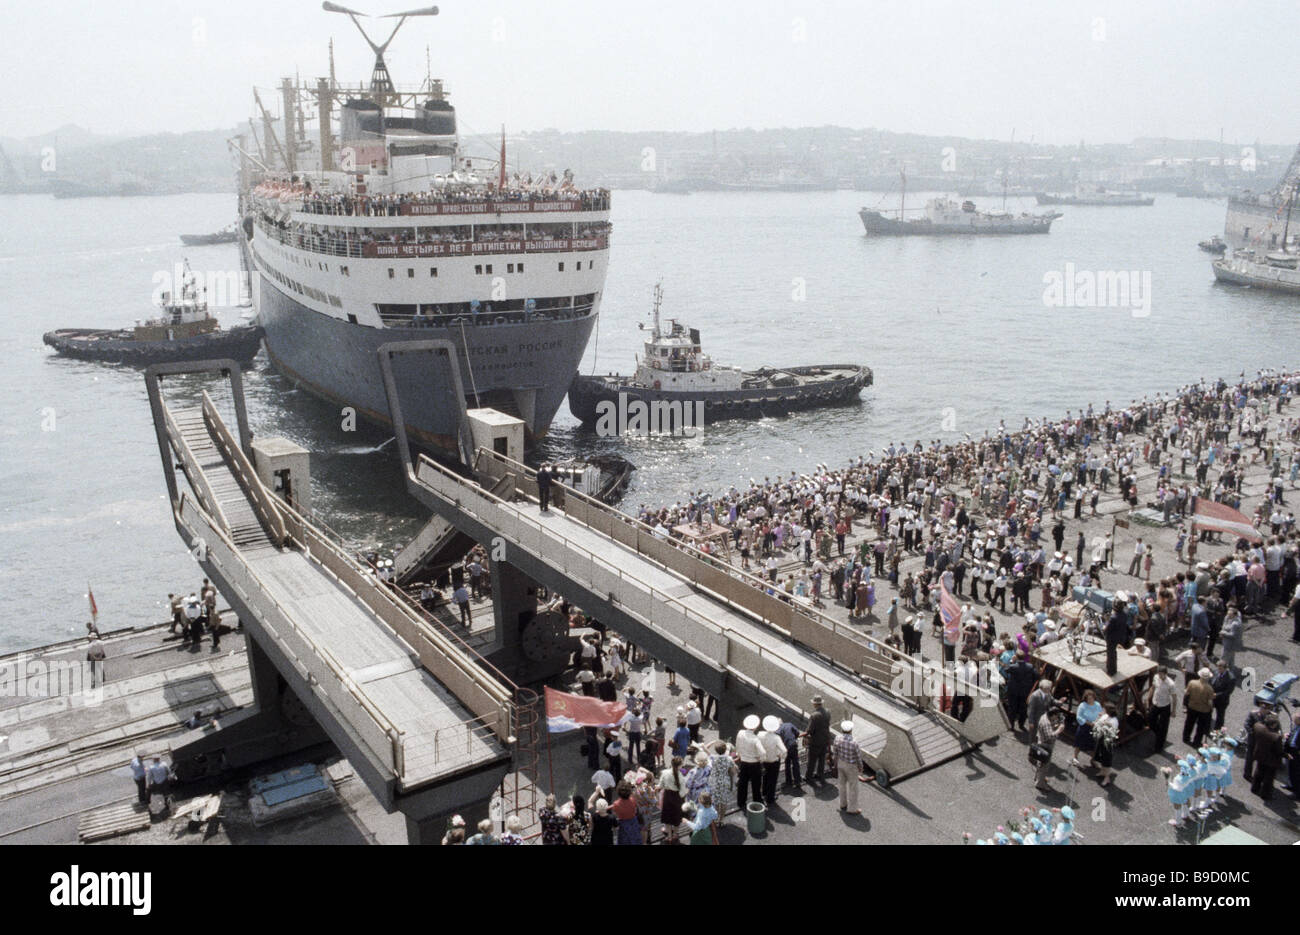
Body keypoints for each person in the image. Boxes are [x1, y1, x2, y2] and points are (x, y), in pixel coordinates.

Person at [1251, 714, 1285, 801]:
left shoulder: (1258, 727)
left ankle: (1254, 788)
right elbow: (1279, 751)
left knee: (1258, 772)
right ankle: (1265, 794)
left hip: (1259, 754)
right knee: (1269, 778)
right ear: (1273, 725)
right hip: (1271, 759)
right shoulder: (1276, 737)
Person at [735, 714, 765, 812]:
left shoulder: (740, 732)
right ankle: (757, 801)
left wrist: (739, 754)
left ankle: (741, 802)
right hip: (754, 764)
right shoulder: (755, 739)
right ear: (755, 727)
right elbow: (763, 753)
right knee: (756, 784)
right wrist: (760, 759)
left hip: (743, 762)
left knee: (742, 783)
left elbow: (737, 746)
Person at [1032, 706, 1066, 790]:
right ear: (1053, 715)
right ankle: (1040, 784)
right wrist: (1059, 730)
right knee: (1044, 765)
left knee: (1040, 762)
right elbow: (1050, 737)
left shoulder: (1044, 716)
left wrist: (1056, 724)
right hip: (1046, 745)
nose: (1057, 718)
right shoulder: (1046, 724)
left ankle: (1038, 777)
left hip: (1040, 741)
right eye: (1056, 716)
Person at [833, 720, 862, 814]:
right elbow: (858, 757)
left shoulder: (837, 738)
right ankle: (852, 809)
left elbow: (835, 752)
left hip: (841, 763)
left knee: (841, 785)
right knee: (853, 787)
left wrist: (835, 763)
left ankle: (842, 804)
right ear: (851, 730)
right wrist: (860, 767)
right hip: (851, 766)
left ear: (842, 729)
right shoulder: (854, 742)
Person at [1146, 665, 1178, 751]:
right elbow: (1153, 687)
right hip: (1155, 703)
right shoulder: (1156, 677)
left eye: (1161, 674)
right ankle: (1159, 733)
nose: (1160, 676)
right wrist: (1148, 697)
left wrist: (1174, 710)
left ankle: (1158, 747)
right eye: (1159, 674)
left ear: (1165, 674)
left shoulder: (1171, 684)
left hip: (1165, 706)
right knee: (1150, 720)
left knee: (1163, 726)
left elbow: (1174, 698)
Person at [1182, 668, 1215, 747]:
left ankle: (1185, 738)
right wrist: (1211, 708)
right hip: (1203, 710)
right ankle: (1196, 742)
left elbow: (1186, 693)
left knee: (1189, 723)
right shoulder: (1209, 689)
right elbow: (1210, 702)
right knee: (1200, 727)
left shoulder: (1192, 683)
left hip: (1192, 706)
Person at [1071, 690, 1103, 768]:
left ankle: (1093, 760)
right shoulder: (1082, 705)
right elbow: (1079, 717)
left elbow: (1100, 714)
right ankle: (1075, 757)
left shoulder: (1097, 704)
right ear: (1085, 698)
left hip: (1094, 727)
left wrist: (1098, 721)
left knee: (1093, 745)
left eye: (1091, 698)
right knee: (1079, 743)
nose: (1090, 700)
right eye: (1088, 698)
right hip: (1084, 727)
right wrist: (1089, 723)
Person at [803, 695, 831, 783]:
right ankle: (820, 774)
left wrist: (805, 735)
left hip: (816, 741)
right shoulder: (827, 712)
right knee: (822, 759)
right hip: (825, 739)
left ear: (815, 704)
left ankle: (808, 777)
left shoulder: (814, 715)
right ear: (821, 703)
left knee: (812, 760)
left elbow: (810, 730)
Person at [759, 715, 784, 806]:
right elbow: (784, 751)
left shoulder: (760, 734)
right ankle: (770, 798)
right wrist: (780, 755)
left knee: (765, 778)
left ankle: (764, 793)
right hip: (774, 761)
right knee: (772, 780)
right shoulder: (777, 738)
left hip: (764, 760)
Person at [659, 757, 685, 843]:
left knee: (668, 816)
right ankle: (675, 834)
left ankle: (669, 836)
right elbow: (682, 793)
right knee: (676, 816)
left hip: (667, 796)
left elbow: (661, 785)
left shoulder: (665, 773)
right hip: (677, 798)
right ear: (680, 766)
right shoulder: (681, 776)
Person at [1210, 661, 1234, 730]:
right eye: (1218, 668)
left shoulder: (1231, 678)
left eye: (1220, 669)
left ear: (1225, 668)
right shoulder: (1216, 672)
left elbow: (1228, 691)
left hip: (1222, 701)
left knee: (1220, 717)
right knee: (1207, 713)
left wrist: (1216, 695)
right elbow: (1211, 681)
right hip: (1212, 698)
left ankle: (1217, 731)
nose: (1218, 670)